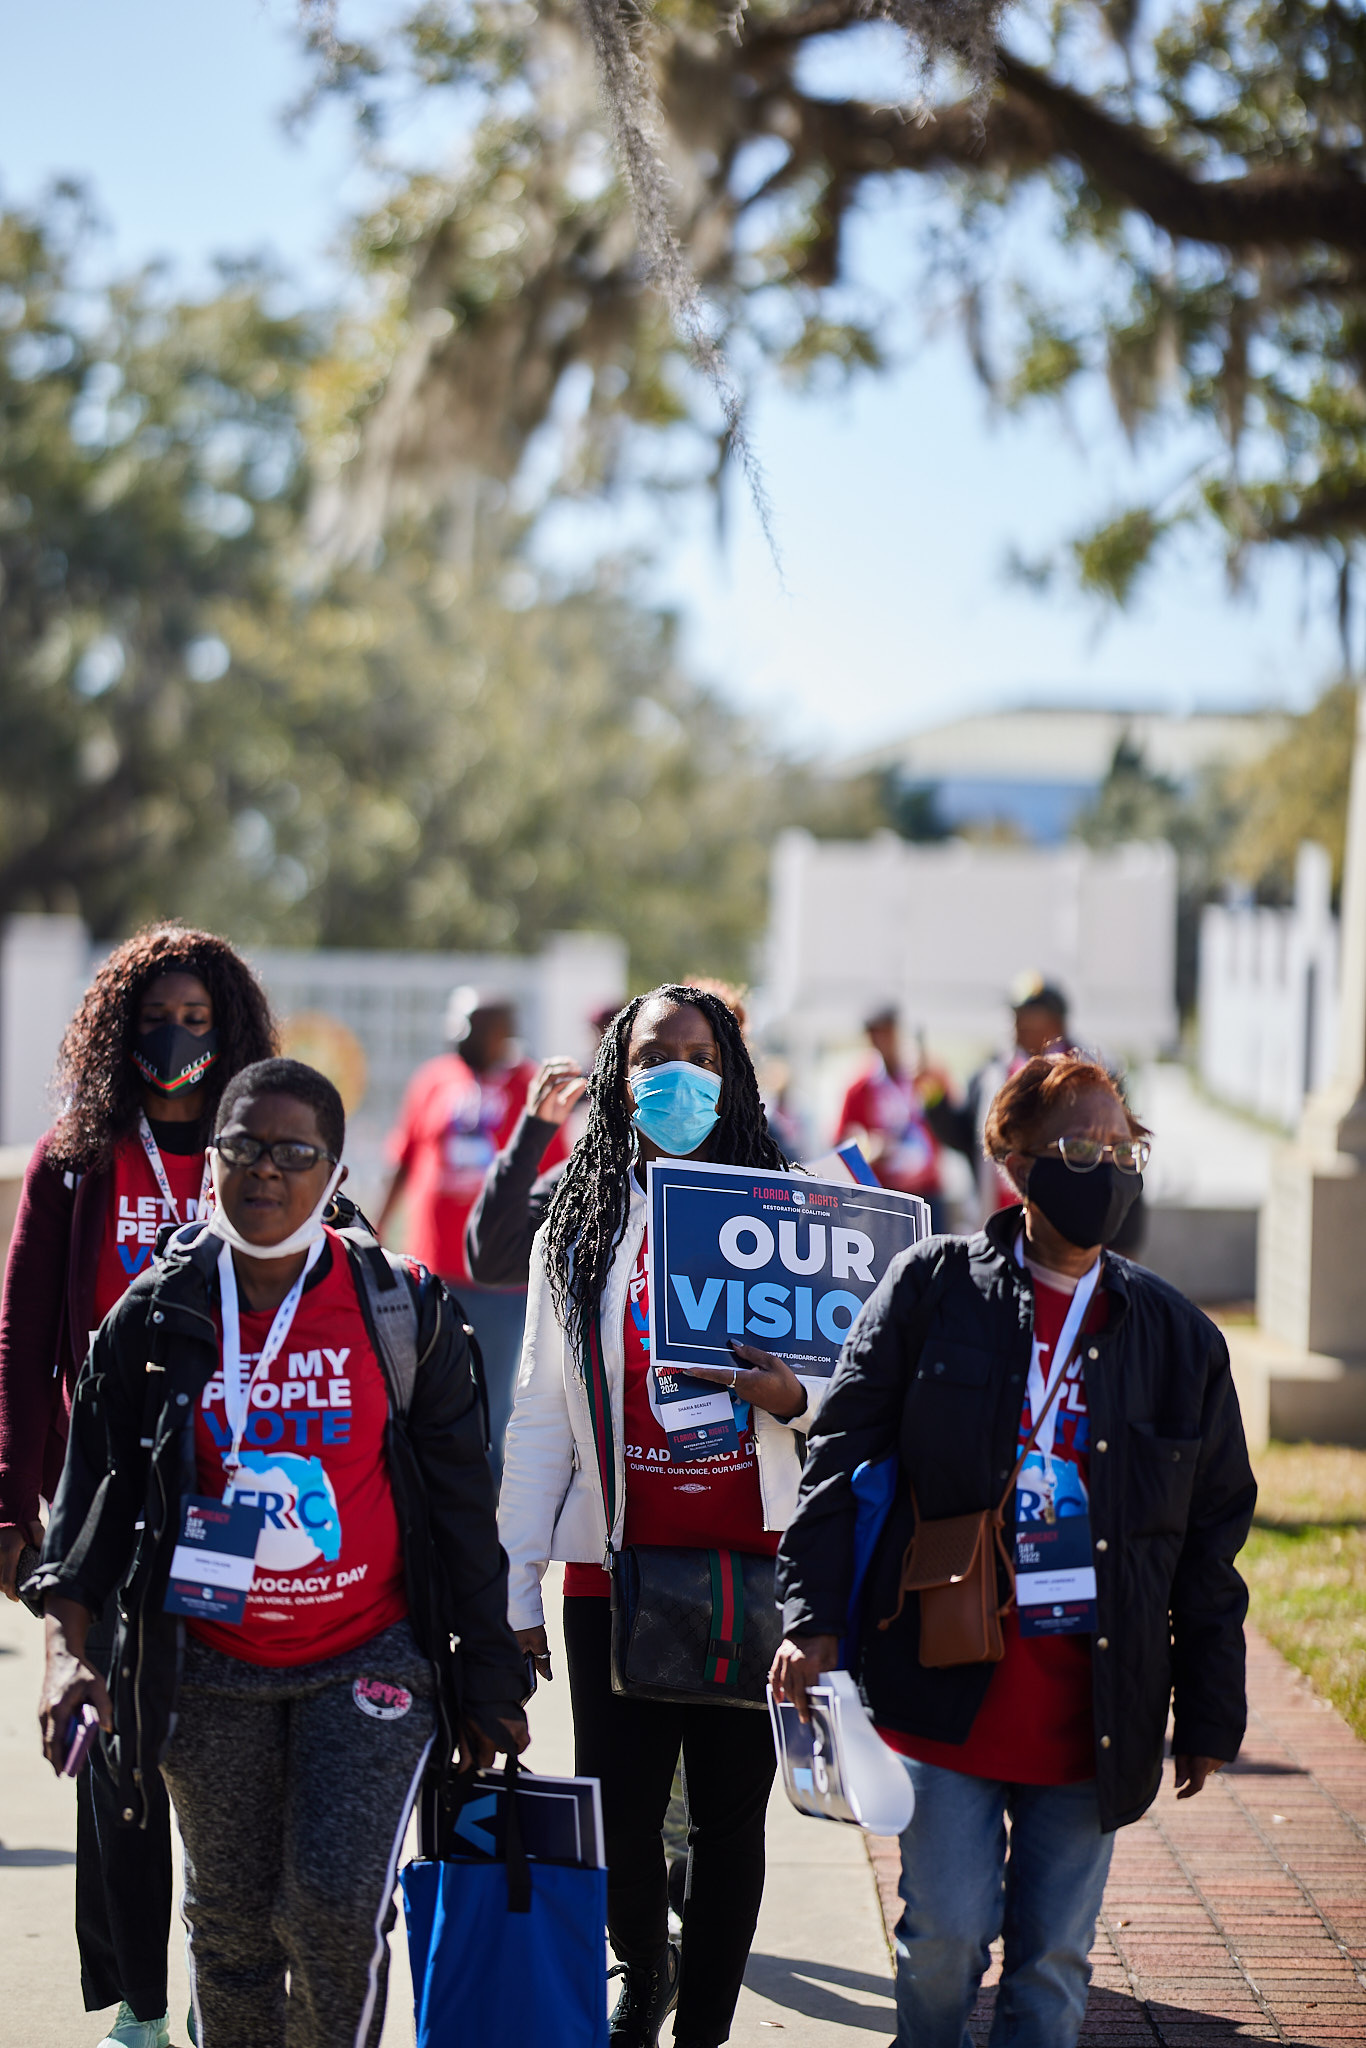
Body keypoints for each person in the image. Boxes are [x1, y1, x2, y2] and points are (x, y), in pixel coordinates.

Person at [31, 1057, 528, 2048]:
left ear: (335, 1170)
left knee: (335, 1904)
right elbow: (89, 1501)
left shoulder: (402, 1310)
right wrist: (67, 1654)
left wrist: (489, 1668)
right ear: (212, 1158)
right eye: (243, 1146)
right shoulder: (158, 1314)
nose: (265, 1171)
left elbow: (466, 1505)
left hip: (371, 1654)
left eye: (294, 1152)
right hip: (207, 1665)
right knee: (231, 1924)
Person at [772, 1053, 1256, 2048]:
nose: (1111, 1167)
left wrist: (1210, 1702)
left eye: (1126, 1147)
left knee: (1051, 1961)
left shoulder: (1177, 1338)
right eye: (1083, 1146)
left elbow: (1211, 1537)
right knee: (945, 1935)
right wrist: (811, 1618)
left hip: (1093, 1706)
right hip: (944, 1683)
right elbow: (839, 1451)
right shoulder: (932, 1288)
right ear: (1015, 1161)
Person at [499, 986, 816, 2048]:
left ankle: (704, 2029)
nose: (675, 1074)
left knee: (729, 1817)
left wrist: (793, 1399)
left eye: (697, 1053)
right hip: (611, 1566)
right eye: (651, 1055)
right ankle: (646, 1964)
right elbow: (541, 1411)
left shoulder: (789, 1214)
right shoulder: (579, 1228)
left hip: (751, 1564)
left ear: (729, 1073)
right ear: (614, 1074)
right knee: (618, 1815)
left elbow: (853, 1388)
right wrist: (515, 1585)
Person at [0, 924, 276, 2048]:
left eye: (202, 1019)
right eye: (159, 1014)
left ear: (233, 1033)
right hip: (105, 1496)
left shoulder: (263, 1150)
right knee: (114, 1754)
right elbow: (21, 1339)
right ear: (122, 1025)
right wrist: (12, 1501)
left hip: (240, 1496)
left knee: (225, 1745)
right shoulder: (75, 1157)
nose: (179, 1035)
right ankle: (141, 2004)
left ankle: (234, 1978)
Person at [377, 989, 571, 1478]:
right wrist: (378, 1230)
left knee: (490, 1407)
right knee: (423, 1394)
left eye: (479, 1026)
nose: (464, 1036)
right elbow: (403, 1163)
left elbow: (552, 1183)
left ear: (505, 1031)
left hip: (501, 1285)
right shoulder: (433, 1080)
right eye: (460, 1024)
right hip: (431, 1270)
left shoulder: (531, 1086)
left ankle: (483, 1517)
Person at [836, 1004, 947, 1231]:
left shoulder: (927, 1075)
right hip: (884, 1197)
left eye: (887, 1032)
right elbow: (842, 1141)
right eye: (874, 1034)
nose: (882, 1041)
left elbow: (949, 1125)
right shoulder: (860, 1086)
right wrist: (870, 1148)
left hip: (928, 1193)